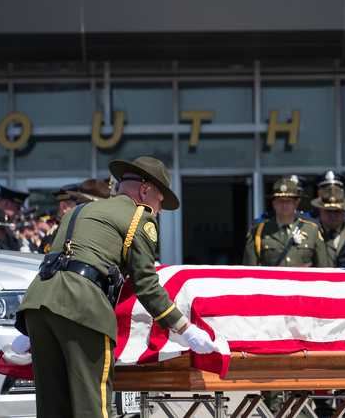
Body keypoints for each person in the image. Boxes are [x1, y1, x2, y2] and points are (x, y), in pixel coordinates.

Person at [14, 156, 216, 417]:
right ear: (145, 190)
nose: (160, 210)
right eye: (160, 200)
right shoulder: (139, 218)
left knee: (52, 408)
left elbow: (56, 263)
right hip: (82, 309)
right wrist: (185, 329)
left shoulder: (78, 211)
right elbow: (146, 284)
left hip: (37, 307)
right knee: (92, 407)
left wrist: (29, 331)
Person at [243, 176, 331, 267]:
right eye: (280, 201)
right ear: (274, 203)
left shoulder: (312, 230)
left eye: (288, 201)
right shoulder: (259, 231)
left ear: (296, 203)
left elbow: (323, 269)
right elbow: (249, 270)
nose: (284, 205)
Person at [313, 170, 345, 267]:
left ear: (344, 210)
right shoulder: (311, 229)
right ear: (320, 209)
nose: (332, 215)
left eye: (337, 211)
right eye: (328, 211)